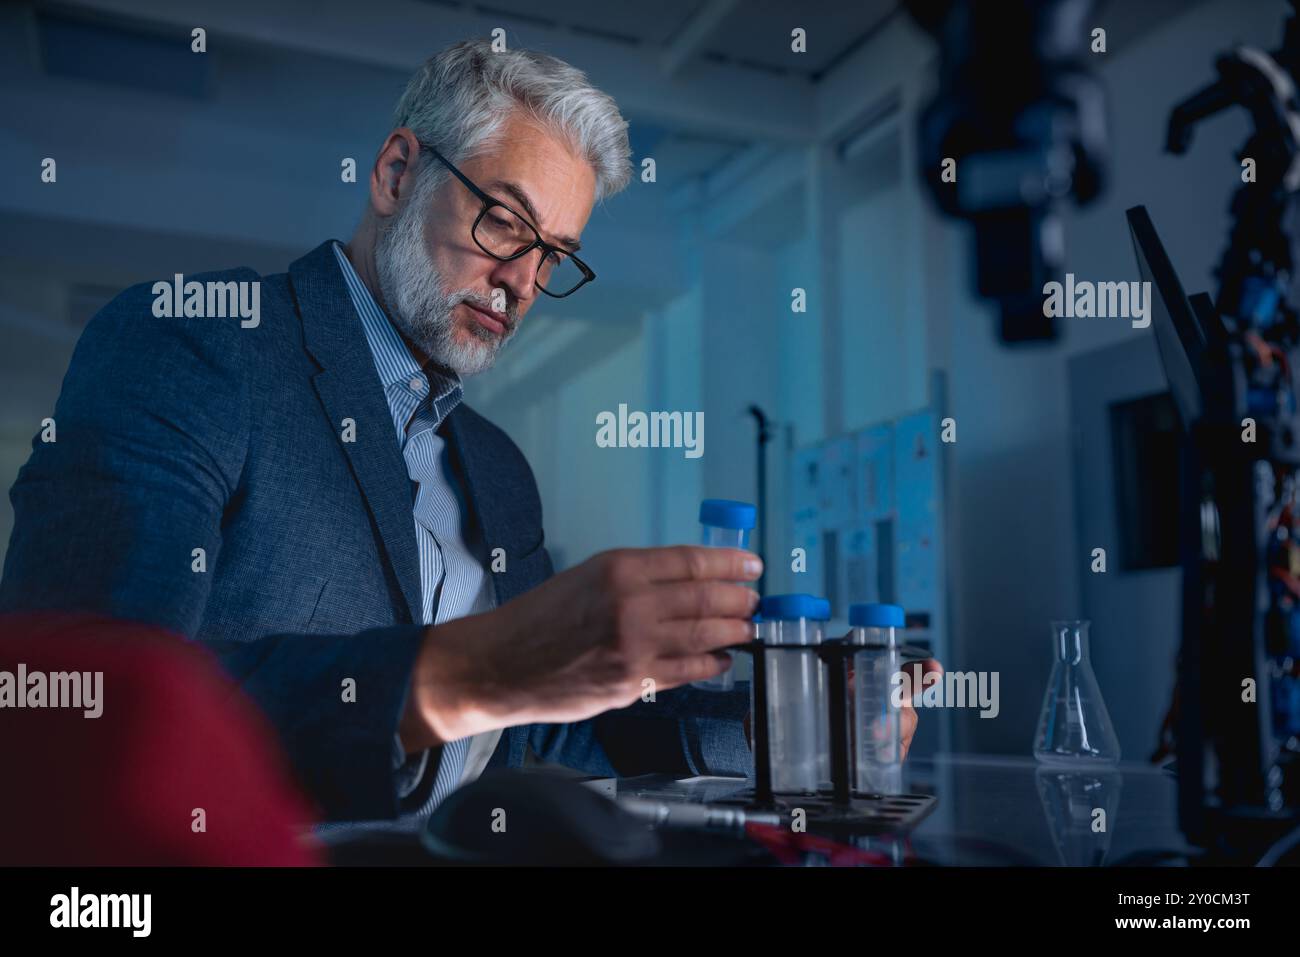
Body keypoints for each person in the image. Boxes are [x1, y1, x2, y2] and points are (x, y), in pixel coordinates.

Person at [0, 39, 924, 827]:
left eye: (552, 255)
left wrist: (784, 725)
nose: (521, 281)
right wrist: (472, 670)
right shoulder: (192, 345)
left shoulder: (496, 467)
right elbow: (88, 704)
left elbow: (543, 723)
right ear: (397, 173)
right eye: (505, 222)